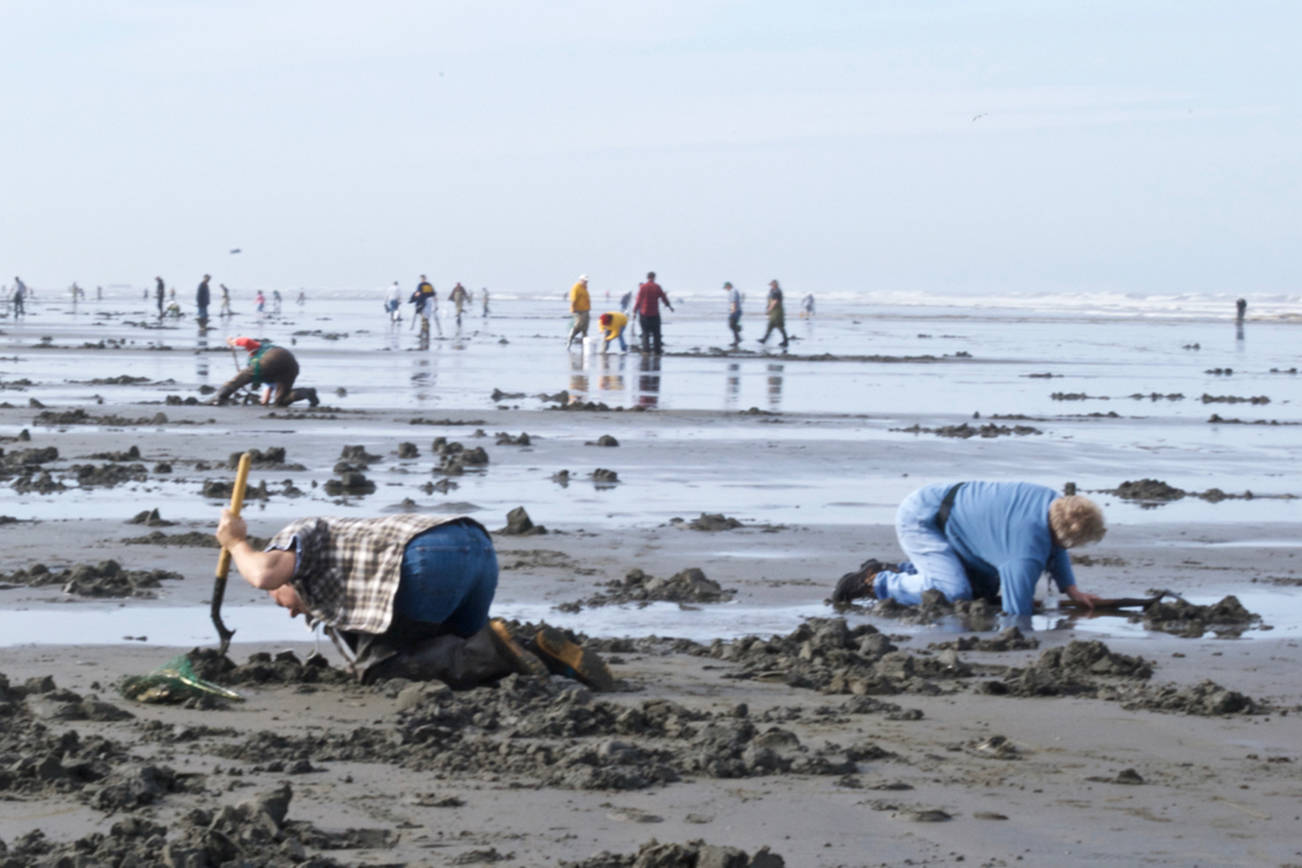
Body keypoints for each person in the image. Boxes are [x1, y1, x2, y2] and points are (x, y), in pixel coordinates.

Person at [213, 510, 614, 689]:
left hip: (424, 559)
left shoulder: (299, 535)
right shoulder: (340, 553)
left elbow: (262, 573)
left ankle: (495, 649)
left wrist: (235, 543)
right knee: (460, 653)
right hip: (474, 546)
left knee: (379, 669)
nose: (288, 609)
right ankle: (547, 657)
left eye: (278, 601)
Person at [831, 481, 1107, 617]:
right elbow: (1016, 613)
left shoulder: (1052, 502)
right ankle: (875, 582)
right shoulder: (1023, 552)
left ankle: (898, 570)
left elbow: (1055, 545)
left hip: (953, 520)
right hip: (923, 519)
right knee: (954, 593)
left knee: (982, 591)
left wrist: (1070, 590)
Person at [213, 336, 318, 407]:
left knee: (243, 376)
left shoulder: (258, 348)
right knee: (280, 402)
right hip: (291, 365)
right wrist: (264, 403)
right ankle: (306, 393)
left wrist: (233, 342)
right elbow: (267, 390)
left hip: (273, 355)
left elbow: (246, 342)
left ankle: (221, 396)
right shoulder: (266, 375)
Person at [634, 271, 673, 355]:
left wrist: (634, 311)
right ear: (654, 277)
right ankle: (657, 351)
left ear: (647, 277)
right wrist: (669, 306)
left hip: (644, 313)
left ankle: (646, 351)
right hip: (654, 314)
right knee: (657, 333)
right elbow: (663, 297)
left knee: (645, 333)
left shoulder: (643, 287)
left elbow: (638, 300)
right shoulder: (657, 287)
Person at [758, 279, 788, 348]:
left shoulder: (776, 291)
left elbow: (775, 301)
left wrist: (769, 309)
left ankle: (785, 341)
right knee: (771, 326)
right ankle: (764, 339)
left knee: (779, 326)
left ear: (775, 284)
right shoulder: (773, 291)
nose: (770, 286)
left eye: (771, 285)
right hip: (774, 312)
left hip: (777, 312)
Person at [566, 275, 591, 350]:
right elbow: (573, 299)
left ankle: (585, 346)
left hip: (586, 311)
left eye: (586, 281)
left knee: (585, 328)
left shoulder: (584, 288)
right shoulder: (576, 288)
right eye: (584, 281)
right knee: (578, 326)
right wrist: (573, 308)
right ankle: (570, 339)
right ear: (580, 280)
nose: (586, 282)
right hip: (578, 311)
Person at [723, 281, 742, 347]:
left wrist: (733, 310)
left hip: (735, 311)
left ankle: (737, 339)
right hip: (735, 311)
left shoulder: (733, 291)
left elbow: (733, 301)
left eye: (726, 287)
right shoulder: (733, 291)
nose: (726, 289)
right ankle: (738, 339)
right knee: (732, 325)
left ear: (728, 286)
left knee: (731, 325)